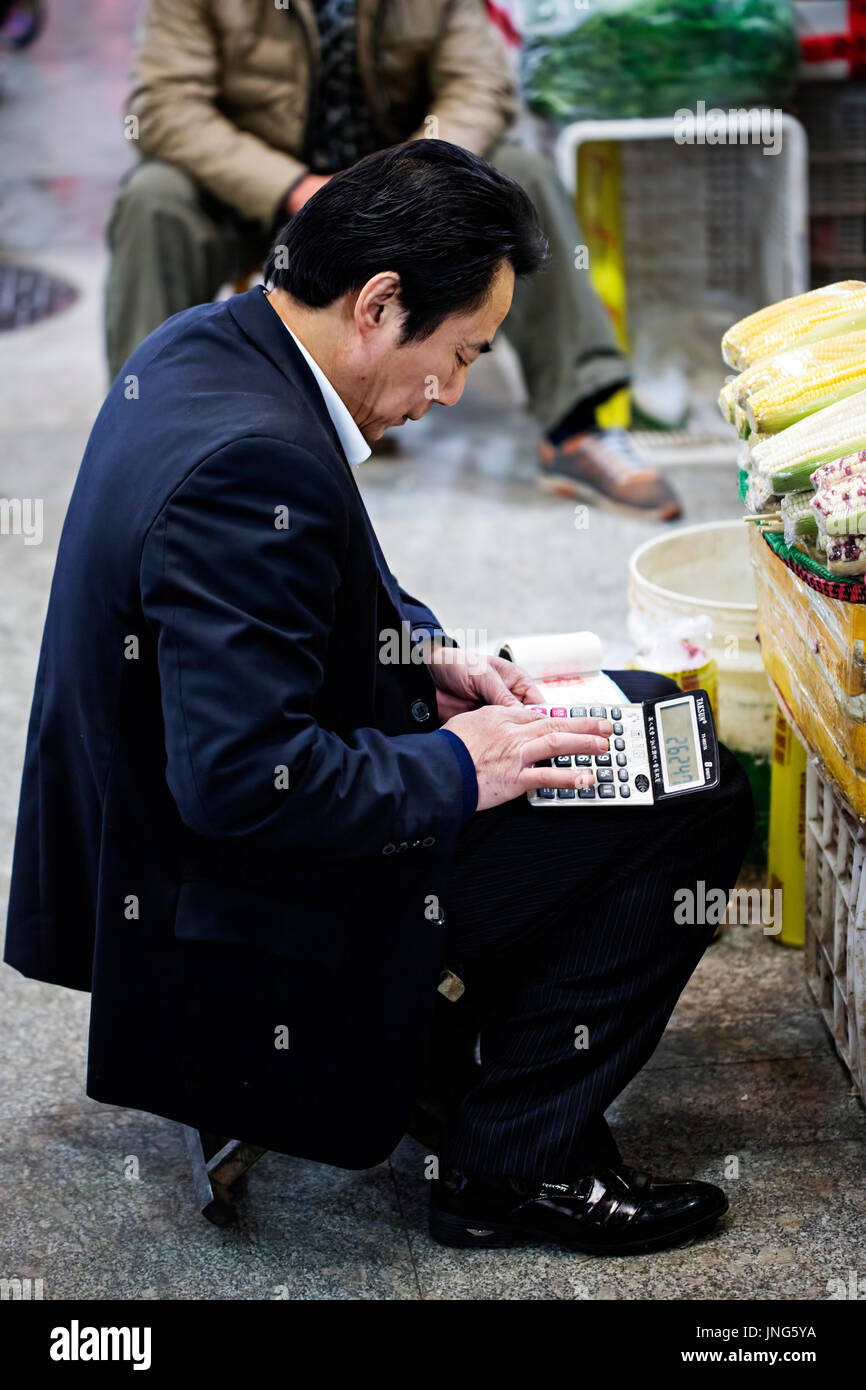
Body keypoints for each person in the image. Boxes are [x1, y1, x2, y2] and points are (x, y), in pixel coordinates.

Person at [7, 141, 752, 1256]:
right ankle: (512, 1164)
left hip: (164, 862)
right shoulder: (251, 462)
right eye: (457, 356)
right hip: (220, 919)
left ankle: (445, 1054)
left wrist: (429, 655)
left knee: (640, 710)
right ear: (379, 302)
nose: (448, 394)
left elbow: (311, 583)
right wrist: (465, 765)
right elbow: (244, 785)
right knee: (695, 796)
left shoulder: (210, 347)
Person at [104, 0, 682, 521]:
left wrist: (403, 186)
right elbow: (165, 107)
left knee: (521, 173)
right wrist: (293, 187)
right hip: (256, 194)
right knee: (154, 198)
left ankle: (577, 427)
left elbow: (480, 87)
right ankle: (149, 433)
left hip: (398, 187)